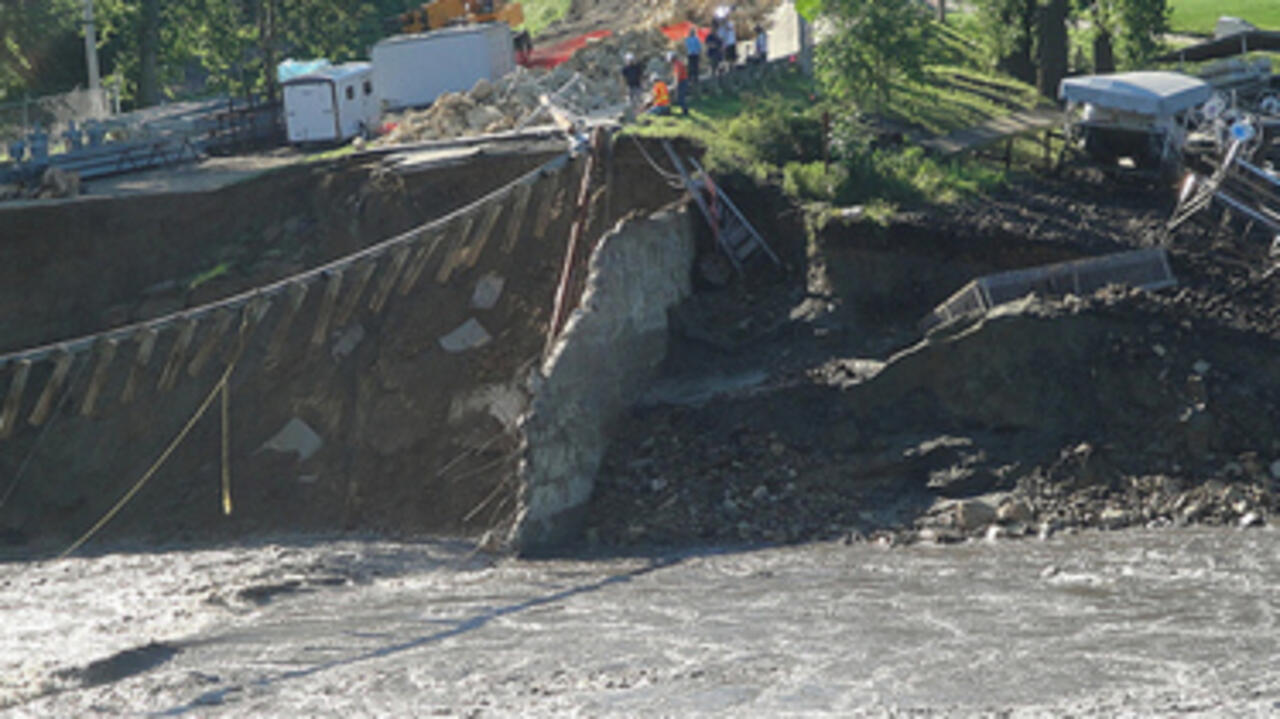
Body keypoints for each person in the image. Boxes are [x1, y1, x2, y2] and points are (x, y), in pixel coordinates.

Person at [668, 51, 689, 116]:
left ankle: (685, 111)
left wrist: (675, 84)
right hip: (683, 80)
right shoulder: (677, 63)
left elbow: (678, 75)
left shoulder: (677, 64)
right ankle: (684, 110)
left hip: (682, 81)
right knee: (681, 97)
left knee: (680, 97)